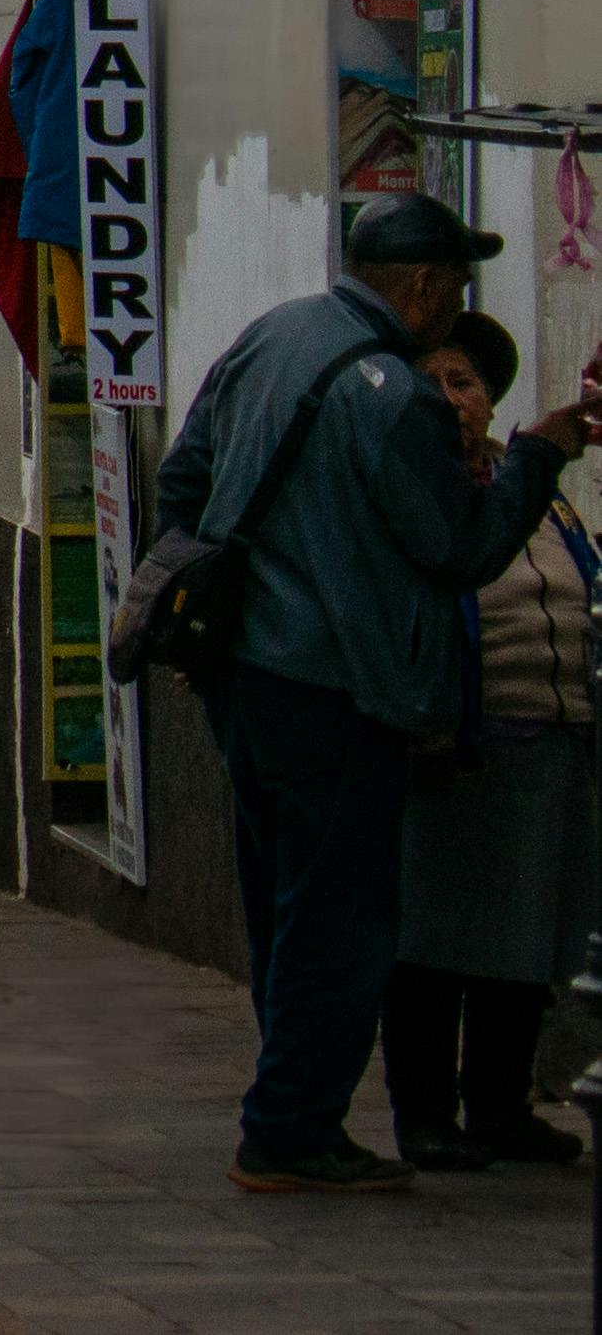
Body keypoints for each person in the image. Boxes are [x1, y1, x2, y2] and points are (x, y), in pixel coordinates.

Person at [154, 191, 602, 1194]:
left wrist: (213, 611)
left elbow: (183, 482)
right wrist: (539, 453)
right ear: (426, 286)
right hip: (336, 683)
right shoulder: (394, 394)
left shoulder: (273, 335)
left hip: (248, 677)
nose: (458, 309)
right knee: (341, 917)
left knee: (286, 907)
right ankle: (290, 1131)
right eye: (458, 287)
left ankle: (291, 1109)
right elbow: (462, 548)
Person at [384, 310, 595, 1172]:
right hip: (456, 749)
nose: (452, 400)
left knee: (527, 937)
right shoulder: (409, 490)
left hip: (550, 746)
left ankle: (500, 1107)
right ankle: (425, 1115)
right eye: (431, 384)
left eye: (464, 382)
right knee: (434, 944)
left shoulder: (528, 485)